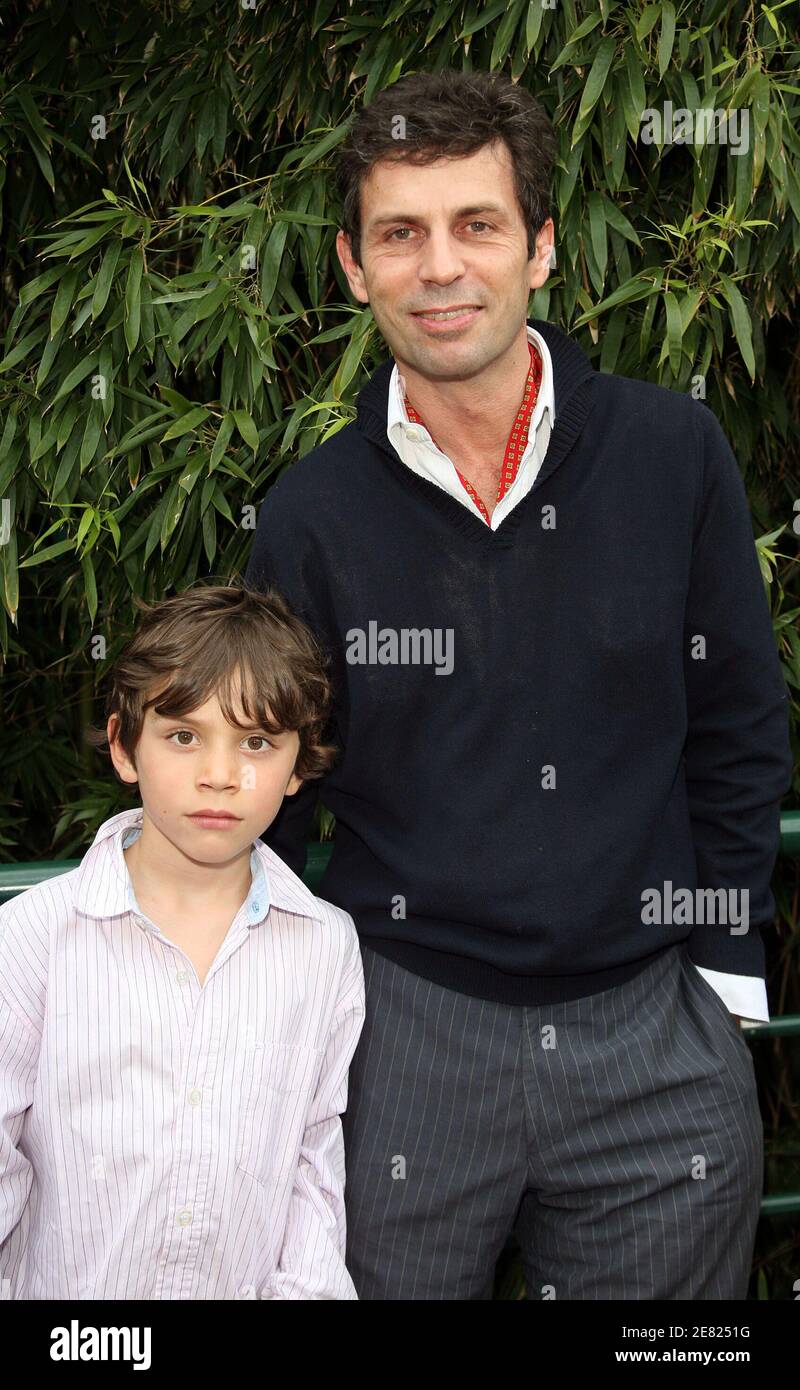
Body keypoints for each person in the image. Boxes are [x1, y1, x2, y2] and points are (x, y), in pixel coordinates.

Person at [244, 68, 794, 1299]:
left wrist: (721, 985)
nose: (439, 267)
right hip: (402, 1037)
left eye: (475, 225)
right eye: (401, 233)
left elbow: (739, 726)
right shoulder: (309, 515)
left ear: (540, 248)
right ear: (352, 266)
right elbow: (267, 779)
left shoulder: (670, 453)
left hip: (654, 1037)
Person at [0, 583, 365, 1299]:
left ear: (298, 768)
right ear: (123, 747)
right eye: (183, 735)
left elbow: (313, 1169)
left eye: (257, 743)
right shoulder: (35, 937)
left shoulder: (325, 949)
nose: (220, 775)